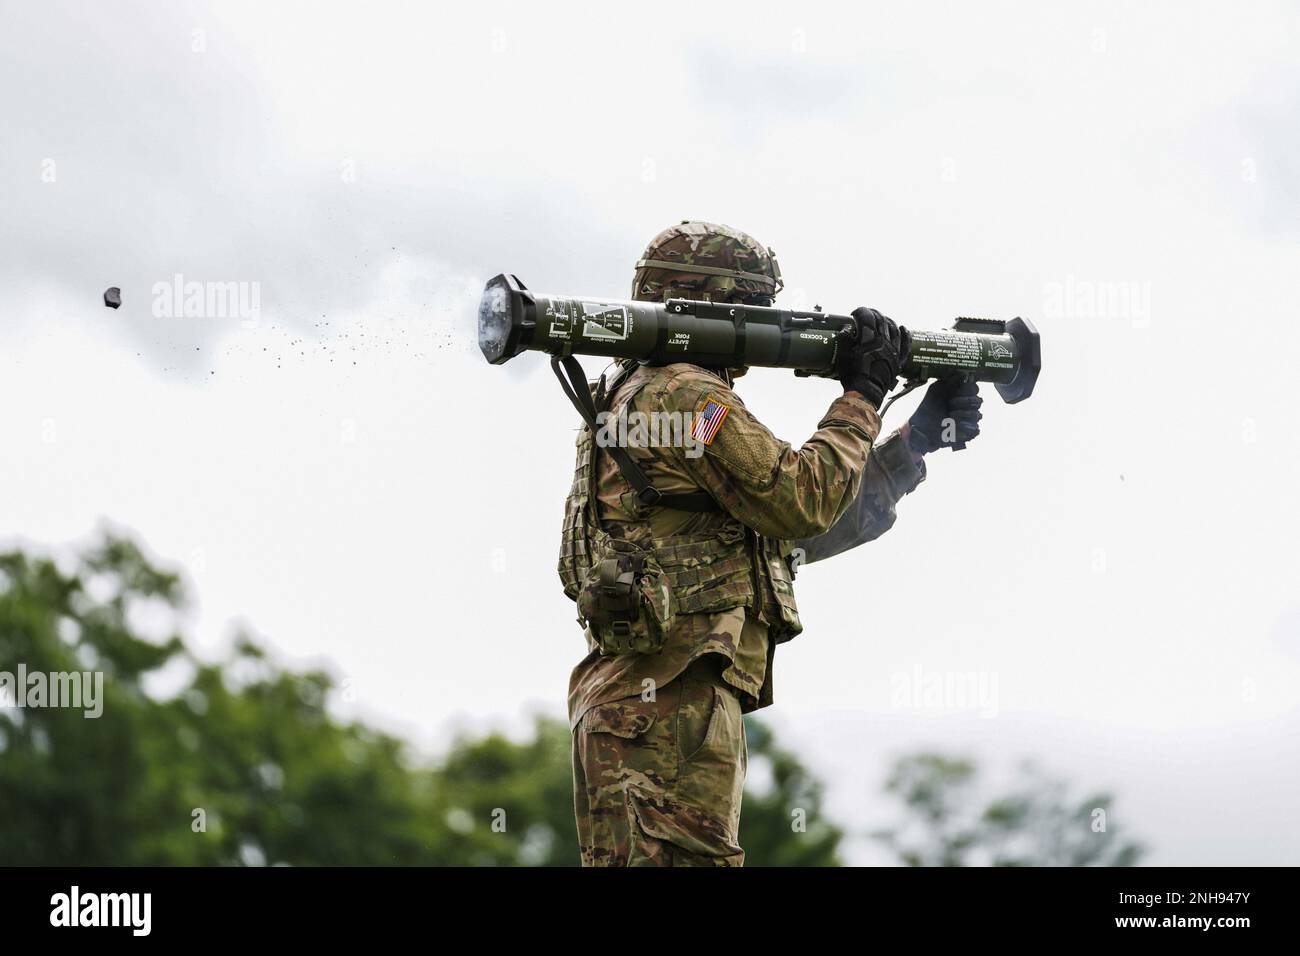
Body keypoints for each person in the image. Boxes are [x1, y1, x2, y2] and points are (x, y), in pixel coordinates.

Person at [559, 220, 983, 866]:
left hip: (658, 709)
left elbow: (787, 538)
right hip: (665, 711)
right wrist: (862, 394)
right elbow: (798, 500)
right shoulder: (685, 397)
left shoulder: (631, 398)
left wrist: (914, 441)